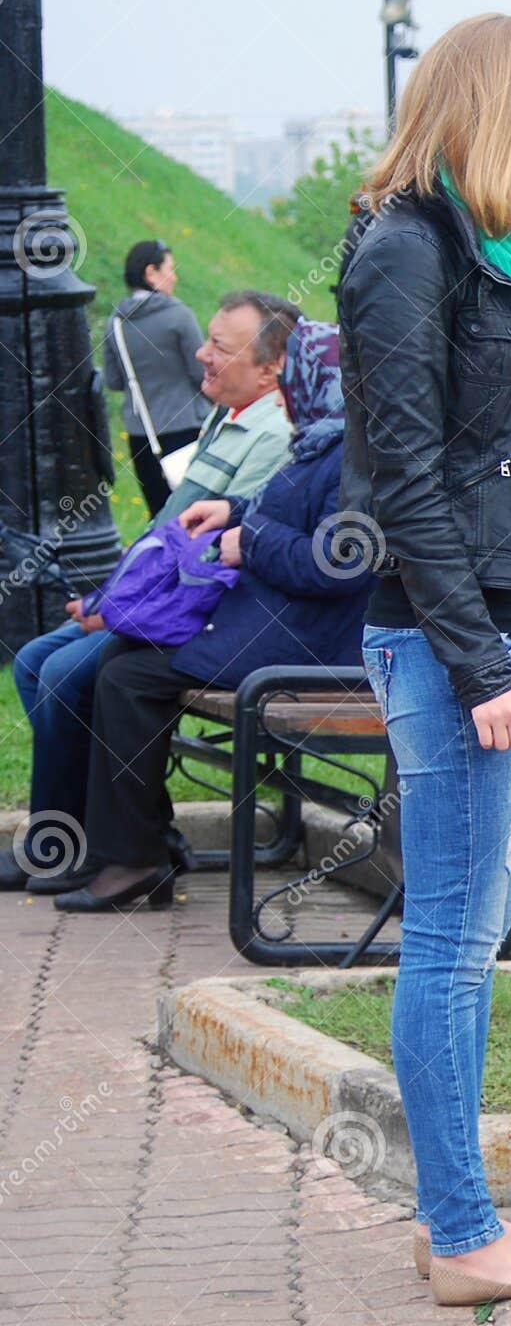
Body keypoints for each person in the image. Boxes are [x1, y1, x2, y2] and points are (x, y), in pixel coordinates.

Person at [338, 11, 511, 1306]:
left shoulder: (503, 249)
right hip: (462, 649)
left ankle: (468, 1217)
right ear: (497, 110)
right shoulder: (407, 249)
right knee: (451, 940)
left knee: (482, 926)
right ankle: (462, 1237)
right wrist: (483, 664)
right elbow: (405, 476)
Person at [55, 322, 368, 911]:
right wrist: (235, 510)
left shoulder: (356, 452)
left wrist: (250, 541)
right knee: (124, 661)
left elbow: (336, 565)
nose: (286, 394)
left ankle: (137, 856)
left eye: (294, 377)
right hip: (281, 619)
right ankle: (135, 847)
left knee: (128, 676)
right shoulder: (328, 437)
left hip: (315, 640)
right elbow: (292, 513)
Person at [5, 290, 298, 893]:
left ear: (270, 367)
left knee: (64, 673)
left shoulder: (274, 433)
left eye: (219, 346)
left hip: (193, 613)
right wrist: (110, 596)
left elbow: (213, 556)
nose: (200, 354)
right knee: (37, 663)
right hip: (158, 595)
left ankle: (89, 844)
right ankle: (76, 836)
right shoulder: (232, 416)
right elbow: (172, 529)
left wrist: (113, 607)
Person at [101, 239, 209, 516]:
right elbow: (202, 375)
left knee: (159, 514)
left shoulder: (116, 321)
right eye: (170, 269)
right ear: (152, 273)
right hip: (187, 427)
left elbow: (114, 381)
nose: (175, 277)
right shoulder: (179, 315)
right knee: (194, 513)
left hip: (141, 433)